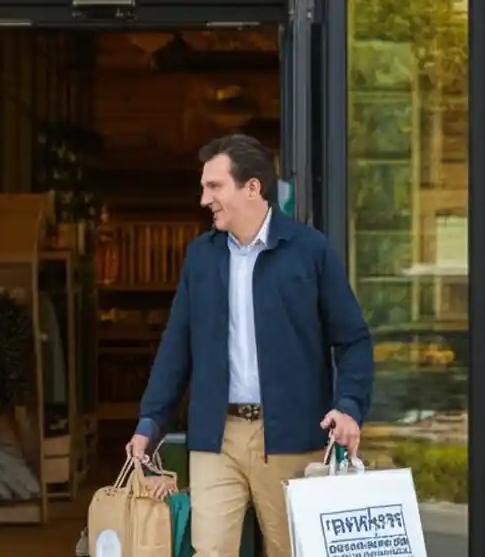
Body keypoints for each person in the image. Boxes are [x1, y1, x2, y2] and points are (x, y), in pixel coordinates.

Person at [125, 134, 373, 557]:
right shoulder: (201, 257)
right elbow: (176, 346)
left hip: (291, 437)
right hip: (215, 438)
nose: (204, 199)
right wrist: (150, 421)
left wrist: (348, 406)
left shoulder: (309, 250)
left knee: (290, 550)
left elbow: (352, 340)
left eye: (215, 186)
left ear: (252, 187)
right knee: (211, 551)